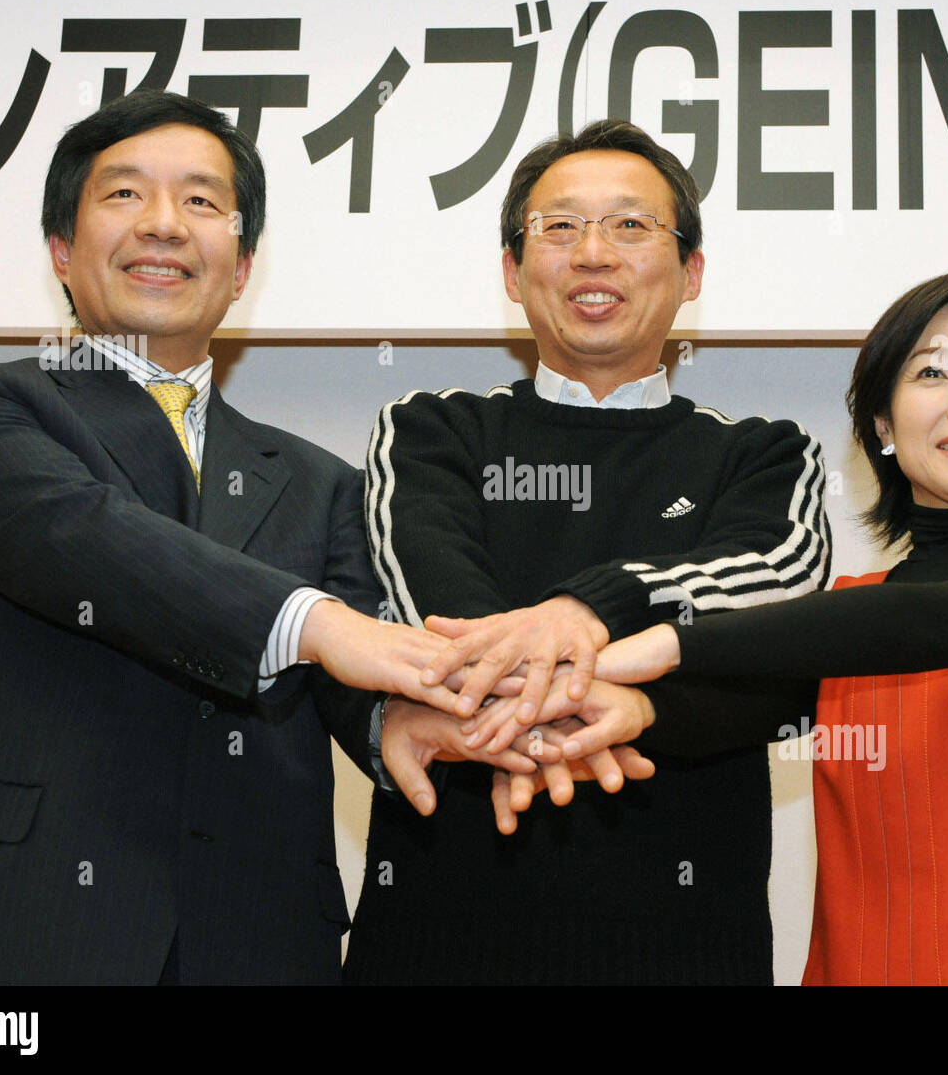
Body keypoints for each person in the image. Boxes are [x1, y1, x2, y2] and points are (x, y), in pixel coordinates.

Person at [0, 90, 522, 985]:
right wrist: (320, 624)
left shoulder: (323, 481)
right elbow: (89, 538)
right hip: (11, 921)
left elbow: (354, 684)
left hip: (254, 935)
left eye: (200, 202)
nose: (163, 225)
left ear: (241, 265)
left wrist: (399, 723)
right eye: (122, 196)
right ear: (62, 253)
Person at [343, 120, 831, 985]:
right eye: (559, 227)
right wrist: (579, 683)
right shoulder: (428, 430)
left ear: (691, 275)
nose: (593, 253)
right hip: (436, 946)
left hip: (686, 951)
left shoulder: (763, 453)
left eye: (631, 226)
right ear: (511, 271)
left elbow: (773, 598)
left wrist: (584, 610)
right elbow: (432, 612)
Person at [586, 269, 948, 984]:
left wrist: (669, 642)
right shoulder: (847, 618)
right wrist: (589, 705)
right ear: (883, 423)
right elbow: (711, 711)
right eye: (932, 374)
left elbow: (931, 624)